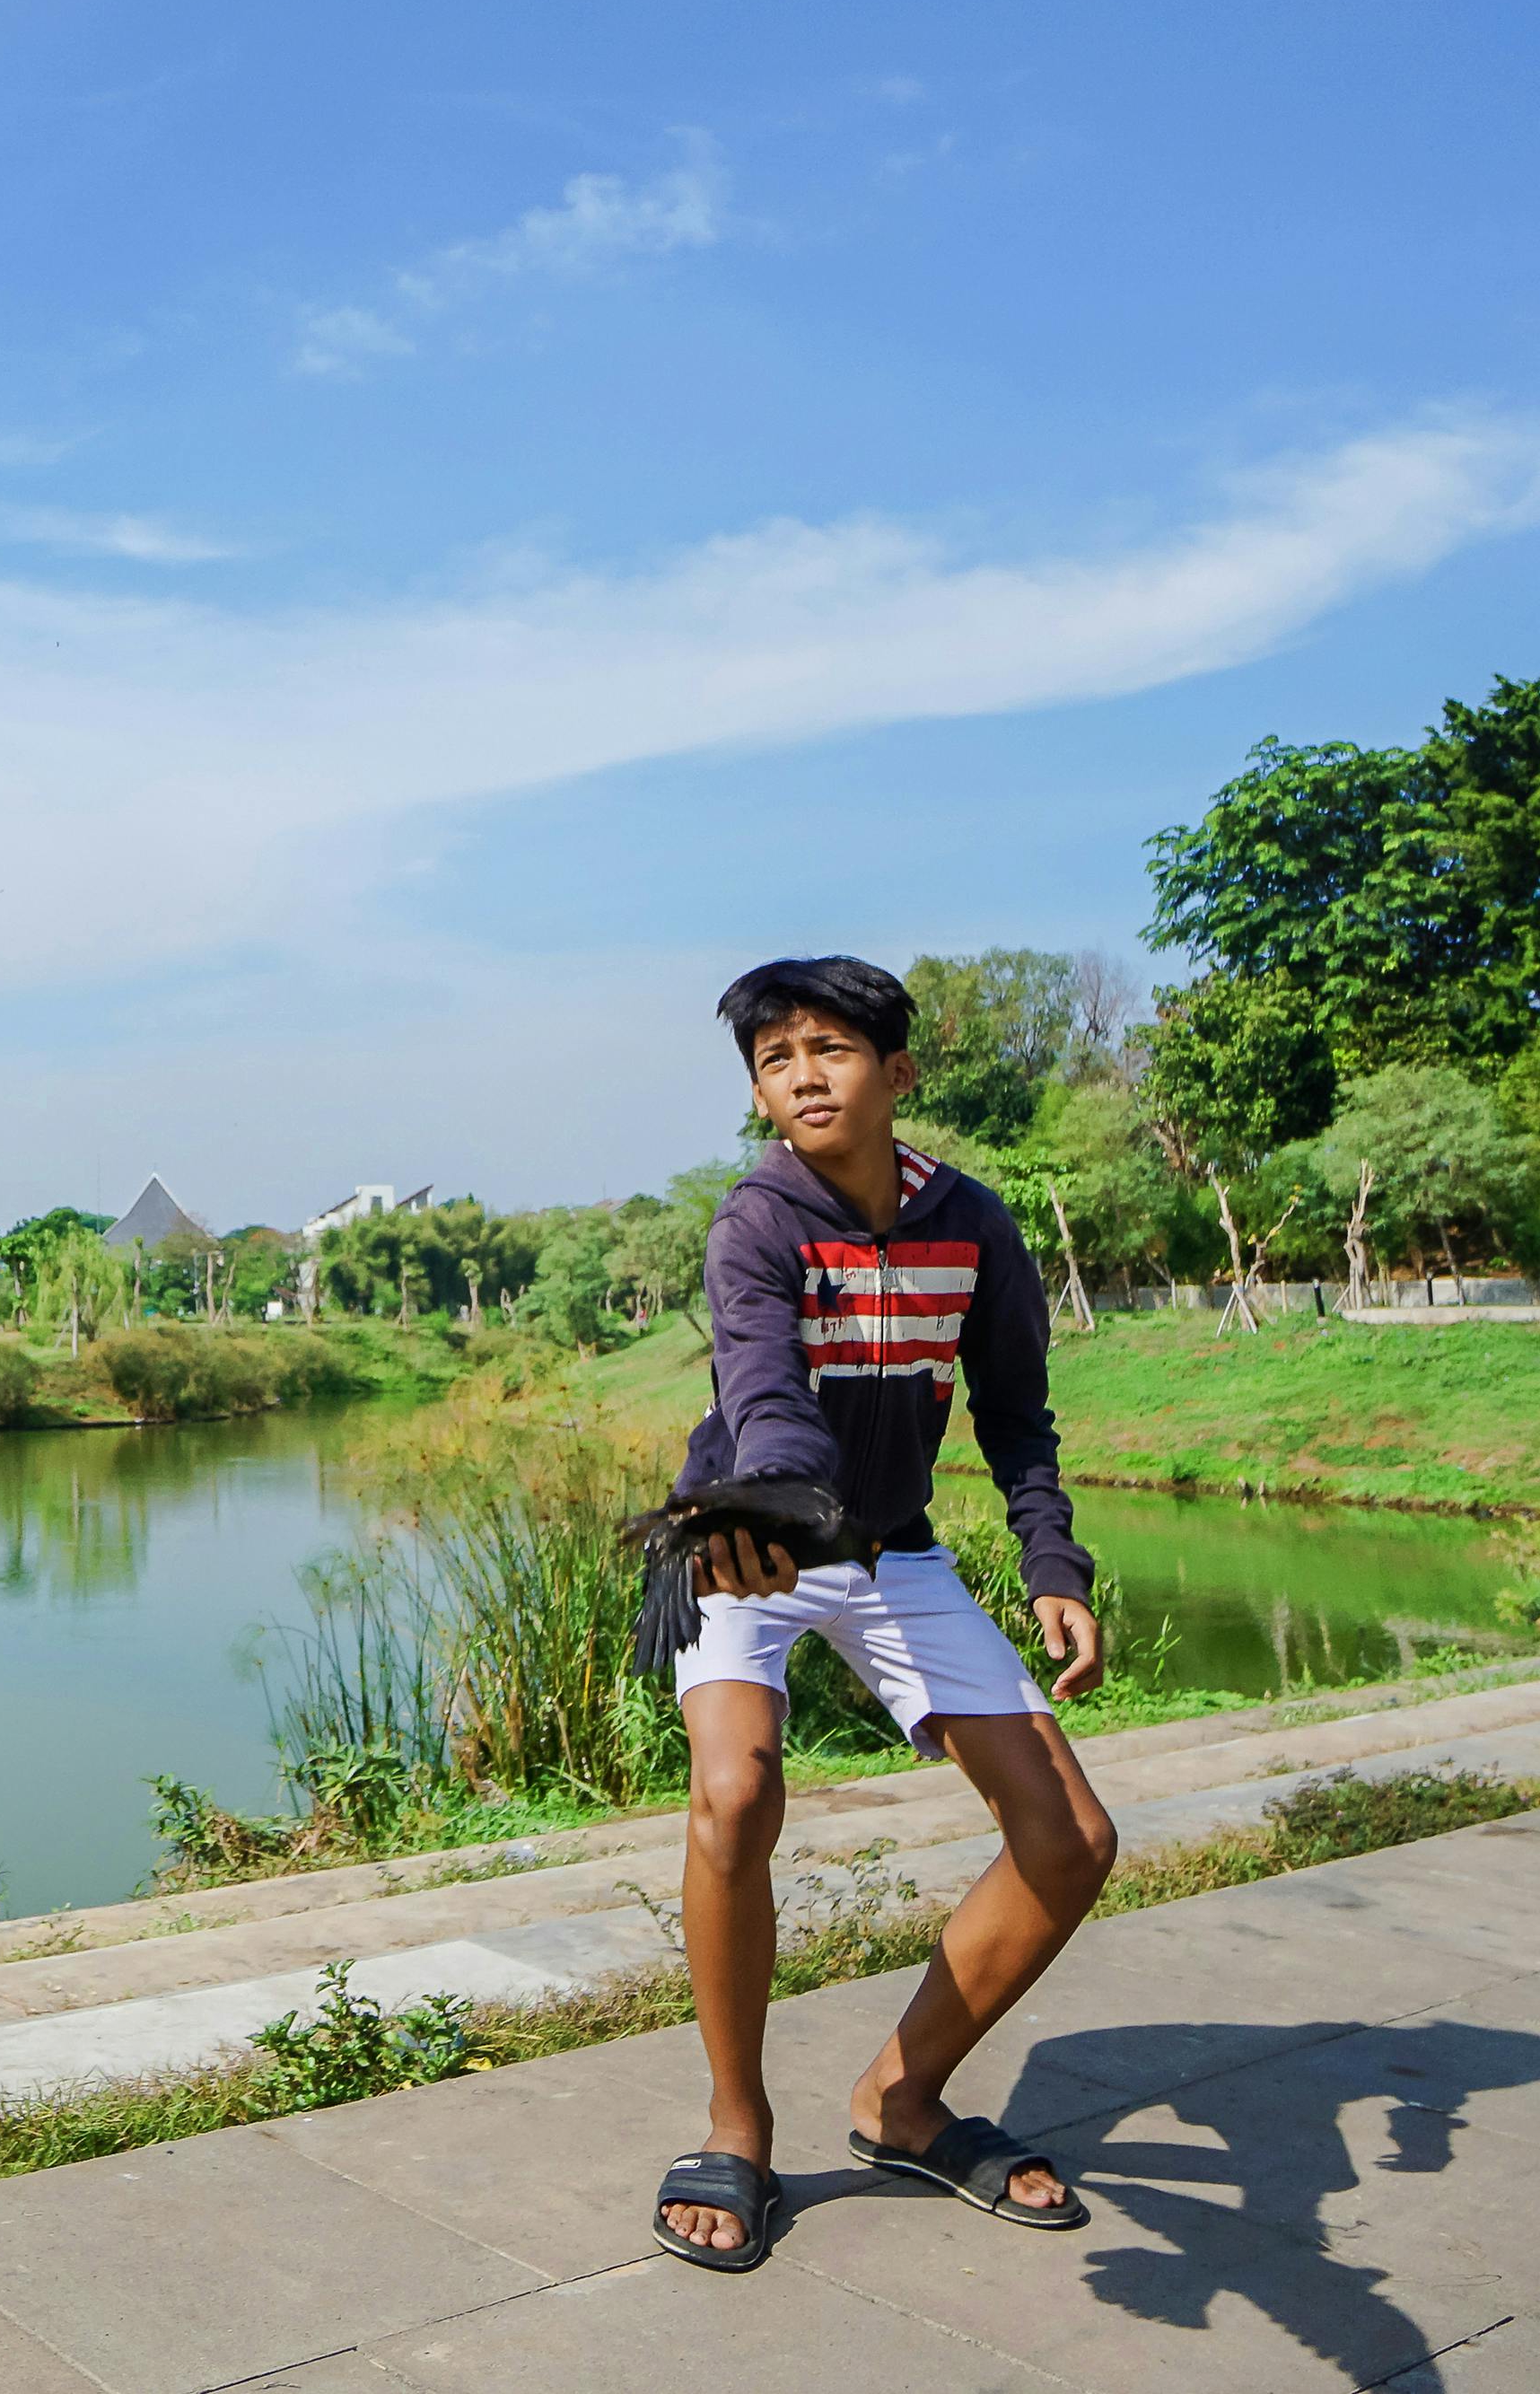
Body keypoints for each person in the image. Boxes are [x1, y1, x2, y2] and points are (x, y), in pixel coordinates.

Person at [650, 956, 1119, 2274]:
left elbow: (1018, 1414)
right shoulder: (755, 1222)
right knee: (735, 1797)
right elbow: (763, 1388)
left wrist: (1053, 1566)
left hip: (895, 1548)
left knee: (1071, 1838)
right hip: (749, 1532)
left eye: (830, 1049)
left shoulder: (974, 1223)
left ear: (898, 1074)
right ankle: (738, 2127)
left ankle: (901, 2102)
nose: (801, 1074)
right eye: (774, 1059)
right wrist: (789, 1509)